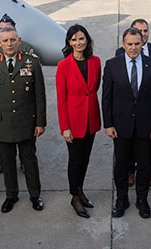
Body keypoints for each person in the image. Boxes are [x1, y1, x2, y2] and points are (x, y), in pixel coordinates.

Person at [0, 26, 46, 214]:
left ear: (19, 41)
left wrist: (40, 122)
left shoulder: (31, 63)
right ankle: (11, 196)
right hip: (1, 124)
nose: (9, 43)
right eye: (5, 40)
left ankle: (35, 195)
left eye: (12, 40)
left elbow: (39, 96)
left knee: (29, 161)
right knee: (7, 162)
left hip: (26, 122)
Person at [103, 27, 151, 219]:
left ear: (142, 43)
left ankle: (142, 200)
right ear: (123, 44)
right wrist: (108, 124)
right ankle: (122, 200)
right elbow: (107, 98)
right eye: (129, 44)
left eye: (137, 43)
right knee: (120, 166)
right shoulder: (112, 65)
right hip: (121, 127)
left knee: (144, 166)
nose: (133, 47)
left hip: (145, 127)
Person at [54, 24, 101, 218]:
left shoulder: (96, 61)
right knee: (75, 160)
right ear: (69, 43)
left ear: (87, 40)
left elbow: (94, 88)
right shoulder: (63, 65)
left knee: (85, 159)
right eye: (74, 40)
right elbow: (61, 99)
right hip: (73, 122)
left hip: (91, 119)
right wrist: (65, 127)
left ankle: (80, 190)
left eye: (81, 38)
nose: (78, 42)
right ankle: (74, 196)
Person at [114, 18, 151, 188]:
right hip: (125, 118)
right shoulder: (119, 56)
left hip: (146, 117)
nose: (142, 35)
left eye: (145, 31)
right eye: (138, 31)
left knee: (149, 152)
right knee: (124, 156)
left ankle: (149, 174)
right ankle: (130, 173)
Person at [0, 13, 37, 176]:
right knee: (5, 142)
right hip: (3, 105)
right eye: (2, 29)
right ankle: (4, 161)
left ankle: (24, 162)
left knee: (27, 147)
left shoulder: (26, 48)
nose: (6, 32)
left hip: (23, 105)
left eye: (9, 28)